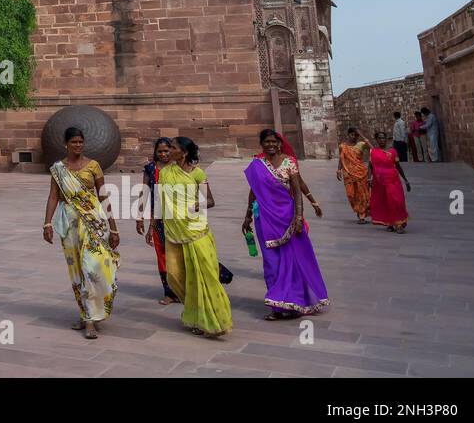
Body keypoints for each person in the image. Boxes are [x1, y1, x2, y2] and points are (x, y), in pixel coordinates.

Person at [243, 129, 329, 320]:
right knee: (271, 262)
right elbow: (254, 191)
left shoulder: (289, 162)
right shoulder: (258, 164)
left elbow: (297, 189)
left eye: (274, 141)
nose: (271, 145)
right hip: (264, 219)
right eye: (267, 142)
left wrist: (299, 217)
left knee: (292, 260)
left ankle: (294, 302)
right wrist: (247, 215)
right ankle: (277, 305)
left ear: (279, 143)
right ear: (261, 144)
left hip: (287, 218)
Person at [43, 126, 120, 338]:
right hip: (69, 224)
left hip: (94, 220)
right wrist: (47, 224)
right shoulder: (58, 169)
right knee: (77, 271)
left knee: (93, 267)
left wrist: (113, 227)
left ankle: (92, 315)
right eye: (74, 142)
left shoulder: (94, 166)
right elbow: (53, 197)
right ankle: (87, 316)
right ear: (66, 144)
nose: (78, 145)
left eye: (80, 142)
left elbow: (103, 196)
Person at [157, 137, 233, 338]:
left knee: (205, 277)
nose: (168, 150)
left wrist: (197, 206)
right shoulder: (164, 173)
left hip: (196, 232)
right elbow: (161, 202)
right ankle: (196, 314)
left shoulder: (198, 173)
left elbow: (210, 201)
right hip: (174, 233)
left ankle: (215, 321)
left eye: (172, 148)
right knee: (176, 276)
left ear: (183, 153)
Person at [135, 138, 178, 305]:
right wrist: (140, 217)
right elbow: (144, 193)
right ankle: (169, 292)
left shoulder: (178, 167)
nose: (163, 154)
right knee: (162, 254)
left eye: (166, 151)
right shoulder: (150, 168)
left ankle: (182, 289)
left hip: (177, 216)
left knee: (178, 252)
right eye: (160, 151)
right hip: (157, 217)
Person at [369, 139, 411, 232]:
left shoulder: (392, 151)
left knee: (397, 201)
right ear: (377, 140)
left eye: (383, 138)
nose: (382, 140)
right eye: (379, 138)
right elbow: (371, 166)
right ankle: (391, 223)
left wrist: (406, 180)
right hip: (381, 182)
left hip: (393, 180)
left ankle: (399, 223)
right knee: (386, 202)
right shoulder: (374, 152)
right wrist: (370, 178)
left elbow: (398, 166)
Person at [336, 127, 372, 224]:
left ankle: (362, 215)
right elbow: (341, 158)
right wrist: (338, 169)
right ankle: (359, 210)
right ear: (348, 135)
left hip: (361, 173)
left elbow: (372, 148)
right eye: (352, 135)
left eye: (356, 135)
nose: (354, 137)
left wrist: (362, 135)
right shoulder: (342, 146)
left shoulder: (361, 144)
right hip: (348, 174)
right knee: (351, 194)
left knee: (362, 194)